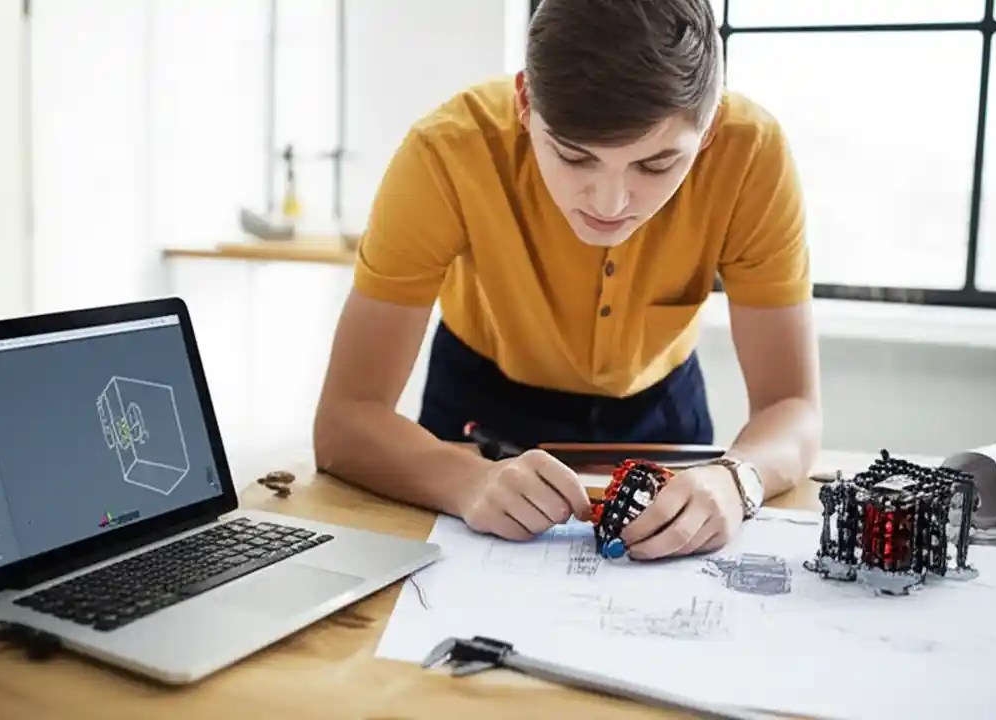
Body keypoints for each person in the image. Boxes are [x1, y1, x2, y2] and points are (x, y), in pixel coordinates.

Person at [314, 0, 821, 560]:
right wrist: (461, 479)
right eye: (574, 157)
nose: (611, 203)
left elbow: (792, 406)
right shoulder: (445, 151)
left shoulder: (753, 153)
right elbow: (345, 422)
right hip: (480, 399)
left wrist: (738, 478)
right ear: (526, 103)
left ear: (708, 131)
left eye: (655, 166)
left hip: (661, 406)